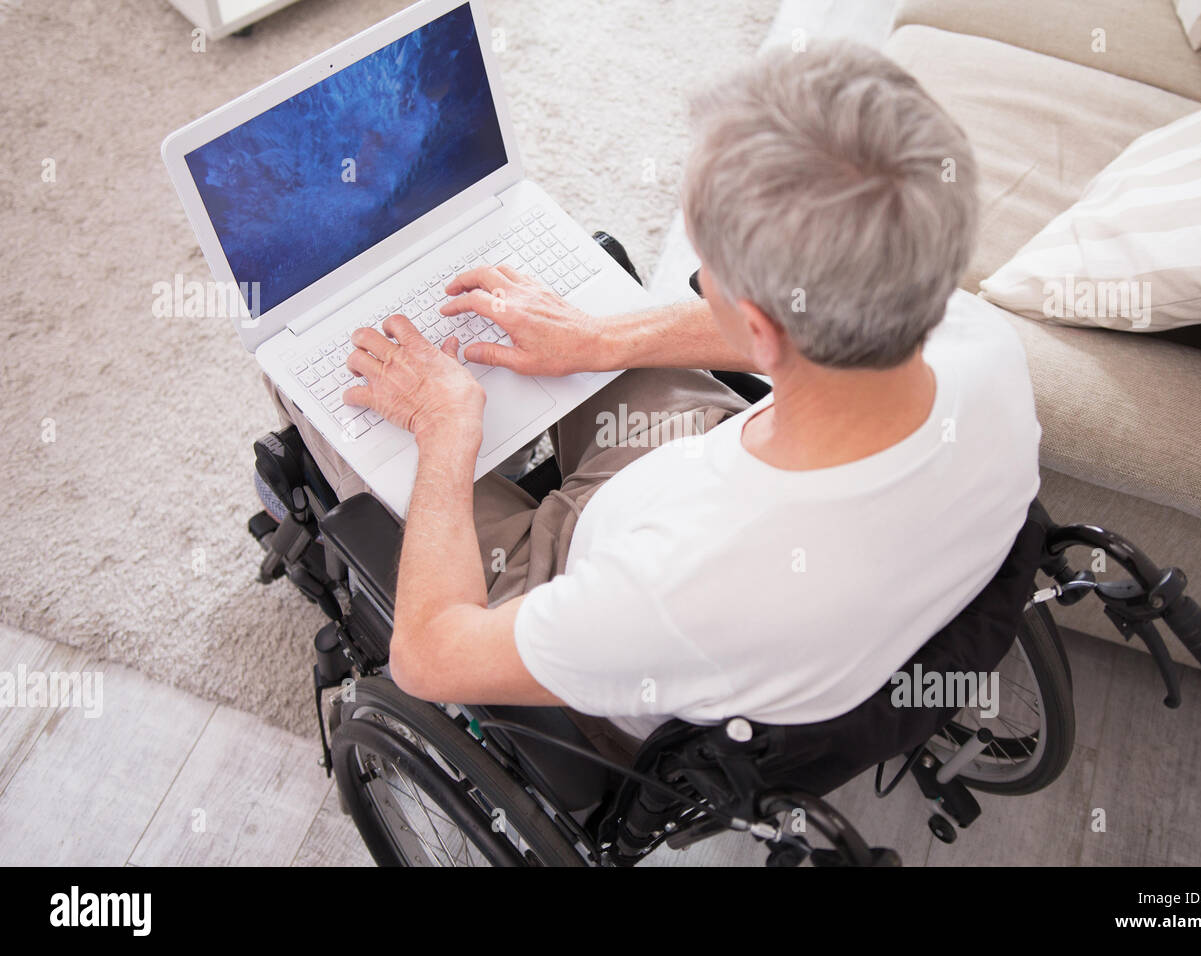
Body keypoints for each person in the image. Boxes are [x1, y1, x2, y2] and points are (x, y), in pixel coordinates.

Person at [264, 40, 1041, 761]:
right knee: (562, 316)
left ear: (761, 328)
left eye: (709, 271)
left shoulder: (680, 590)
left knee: (335, 387)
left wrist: (443, 431)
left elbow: (429, 658)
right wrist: (600, 339)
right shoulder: (987, 350)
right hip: (691, 474)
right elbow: (820, 326)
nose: (701, 279)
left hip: (586, 596)